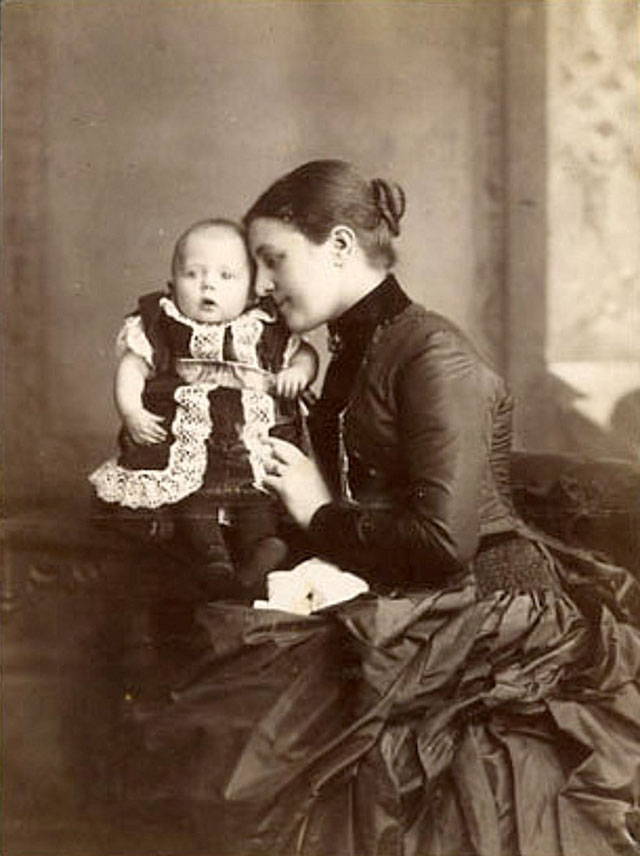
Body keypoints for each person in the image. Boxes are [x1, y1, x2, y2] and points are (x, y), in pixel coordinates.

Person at [129, 164, 640, 856]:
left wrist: (316, 513)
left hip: (486, 610)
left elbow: (442, 540)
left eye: (274, 260)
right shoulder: (341, 353)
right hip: (403, 599)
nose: (263, 284)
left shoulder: (434, 352)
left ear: (339, 246)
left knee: (389, 783)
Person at [90, 218, 318, 600]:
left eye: (226, 275)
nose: (207, 284)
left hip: (250, 442)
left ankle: (261, 549)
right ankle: (214, 560)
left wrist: (299, 372)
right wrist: (132, 411)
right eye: (192, 274)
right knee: (192, 501)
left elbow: (305, 354)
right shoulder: (163, 324)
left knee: (257, 499)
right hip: (190, 440)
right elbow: (132, 366)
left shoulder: (267, 326)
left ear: (250, 291)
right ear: (172, 282)